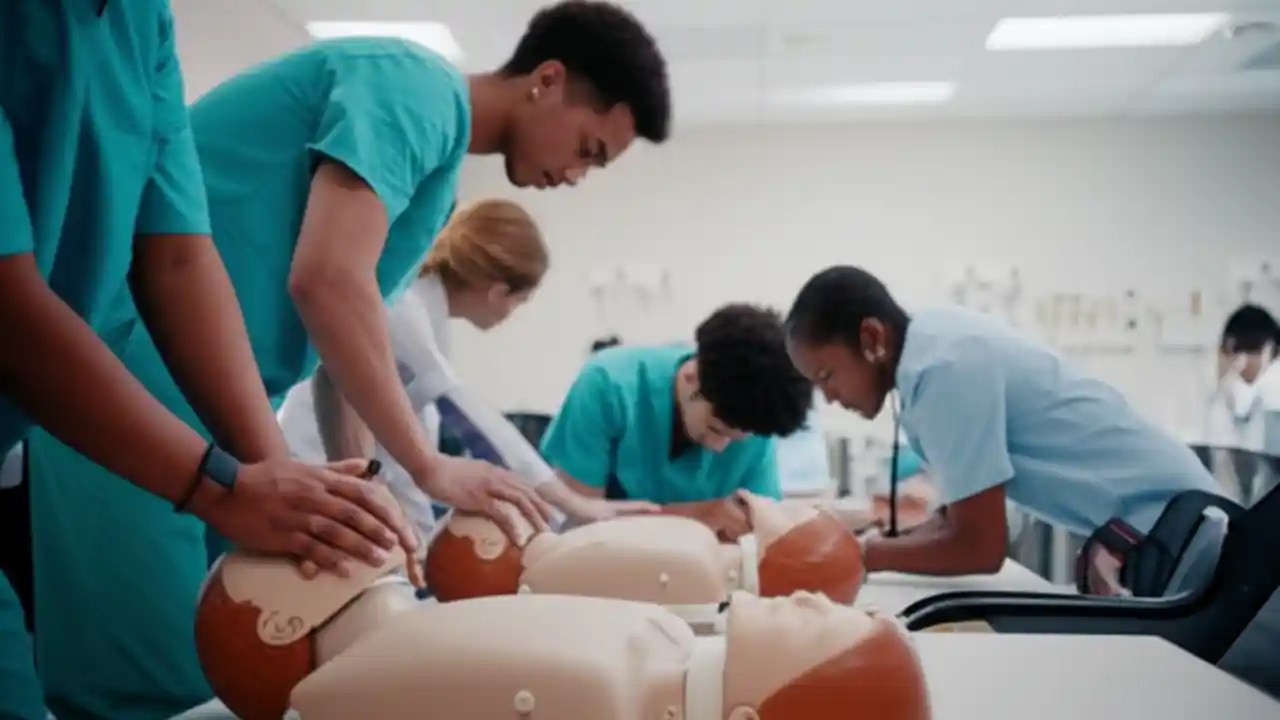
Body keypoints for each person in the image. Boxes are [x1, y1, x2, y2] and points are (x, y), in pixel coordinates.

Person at [27, 1, 673, 717]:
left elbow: (339, 355)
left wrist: (363, 488)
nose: (577, 176)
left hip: (221, 418)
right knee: (153, 691)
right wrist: (427, 467)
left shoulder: (434, 175)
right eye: (588, 149)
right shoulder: (413, 87)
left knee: (243, 671)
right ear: (547, 81)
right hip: (134, 388)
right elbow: (325, 282)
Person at [0, 3, 416, 719]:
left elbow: (179, 260)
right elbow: (7, 306)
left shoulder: (140, 22)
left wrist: (272, 472)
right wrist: (222, 488)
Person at [784, 266, 1222, 595]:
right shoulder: (933, 348)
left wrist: (861, 554)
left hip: (1180, 528)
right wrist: (871, 542)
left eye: (827, 376)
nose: (830, 396)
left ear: (871, 339)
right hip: (1170, 518)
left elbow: (979, 546)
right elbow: (956, 519)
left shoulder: (943, 368)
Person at [279, 198, 657, 539]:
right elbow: (475, 425)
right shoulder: (407, 312)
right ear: (498, 292)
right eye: (520, 301)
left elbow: (412, 443)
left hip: (347, 470)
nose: (511, 314)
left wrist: (420, 536)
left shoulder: (428, 316)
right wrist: (575, 506)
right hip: (312, 462)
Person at [540, 304, 814, 542]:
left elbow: (759, 532)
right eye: (715, 429)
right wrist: (699, 516)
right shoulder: (607, 385)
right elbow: (576, 526)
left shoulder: (755, 415)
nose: (720, 448)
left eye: (736, 439)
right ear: (692, 375)